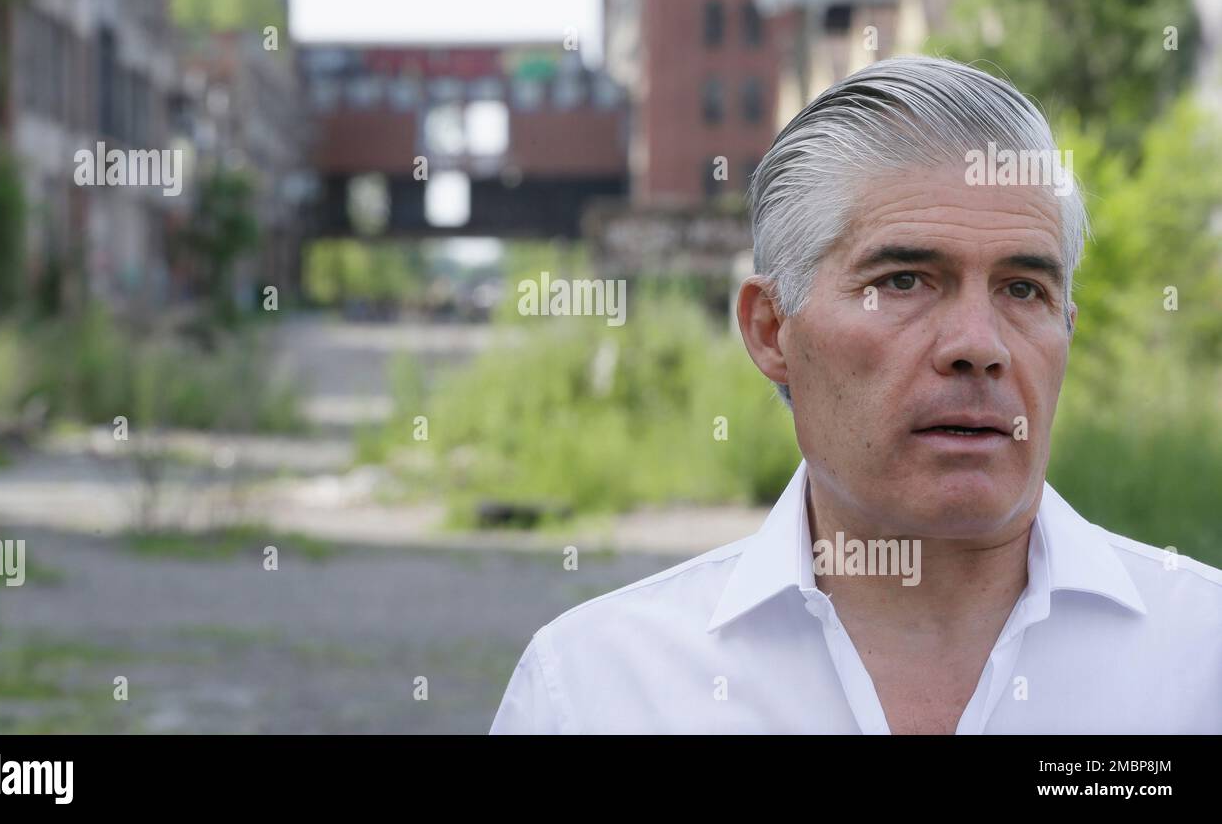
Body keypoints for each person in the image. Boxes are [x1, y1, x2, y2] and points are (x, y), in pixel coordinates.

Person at [489, 56, 1222, 734]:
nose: (980, 345)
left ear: (1067, 327)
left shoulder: (1200, 663)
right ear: (772, 330)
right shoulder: (599, 692)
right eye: (902, 281)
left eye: (1023, 289)